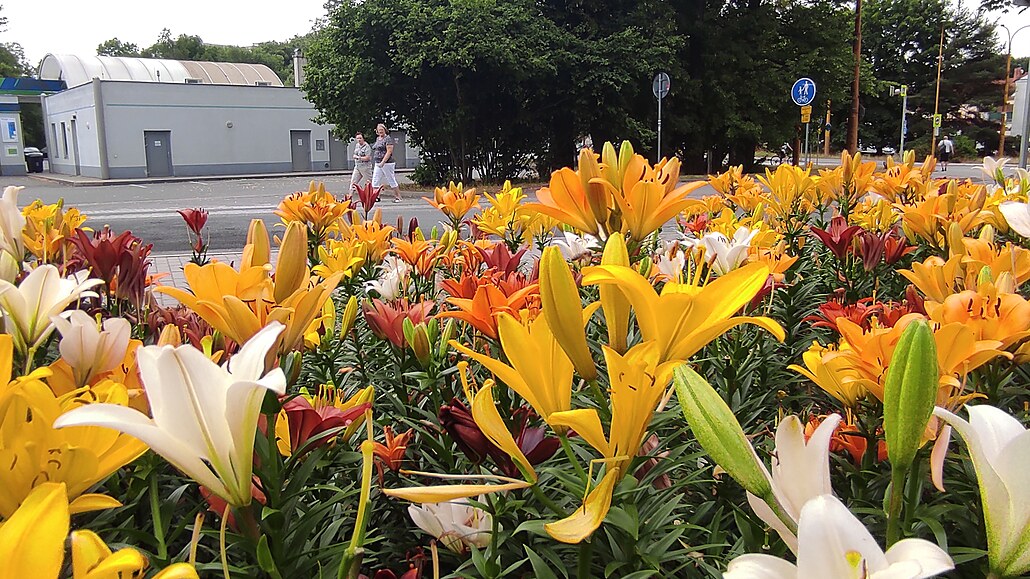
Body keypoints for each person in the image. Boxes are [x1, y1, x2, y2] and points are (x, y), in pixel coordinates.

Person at [371, 123, 400, 202]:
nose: (380, 131)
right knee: (375, 180)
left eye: (382, 130)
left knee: (391, 179)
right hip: (378, 162)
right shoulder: (378, 138)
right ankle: (376, 196)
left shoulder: (388, 139)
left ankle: (398, 197)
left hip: (387, 163)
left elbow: (389, 151)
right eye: (379, 130)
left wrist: (383, 162)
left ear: (385, 130)